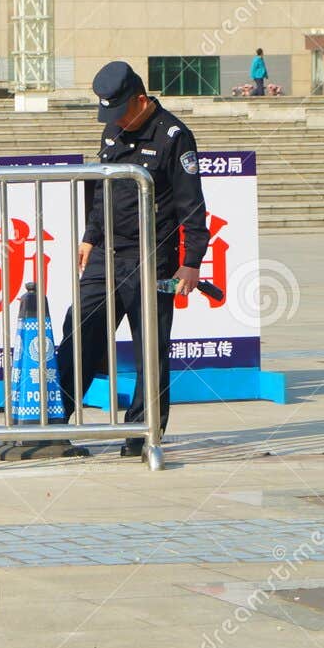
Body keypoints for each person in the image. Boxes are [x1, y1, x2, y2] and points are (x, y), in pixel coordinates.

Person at [55, 61, 209, 459]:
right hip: (107, 253)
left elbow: (192, 207)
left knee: (149, 349)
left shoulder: (175, 136)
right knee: (80, 333)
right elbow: (102, 191)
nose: (116, 121)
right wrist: (90, 237)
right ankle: (54, 422)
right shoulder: (113, 130)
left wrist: (191, 261)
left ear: (140, 100)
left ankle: (143, 432)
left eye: (121, 111)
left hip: (151, 258)